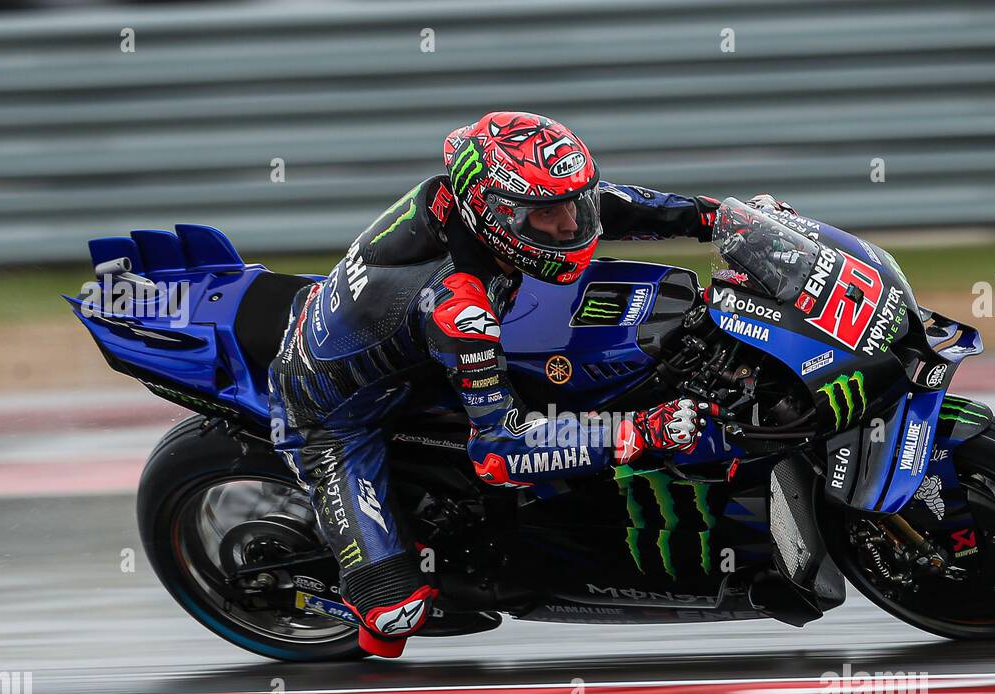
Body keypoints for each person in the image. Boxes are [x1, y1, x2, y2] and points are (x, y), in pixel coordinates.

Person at [268, 110, 725, 658]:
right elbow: (502, 453)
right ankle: (349, 597)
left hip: (404, 344)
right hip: (332, 416)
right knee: (392, 619)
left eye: (571, 205)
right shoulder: (460, 309)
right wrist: (637, 432)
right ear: (495, 216)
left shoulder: (488, 201)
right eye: (548, 214)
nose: (569, 226)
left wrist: (725, 220)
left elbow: (614, 205)